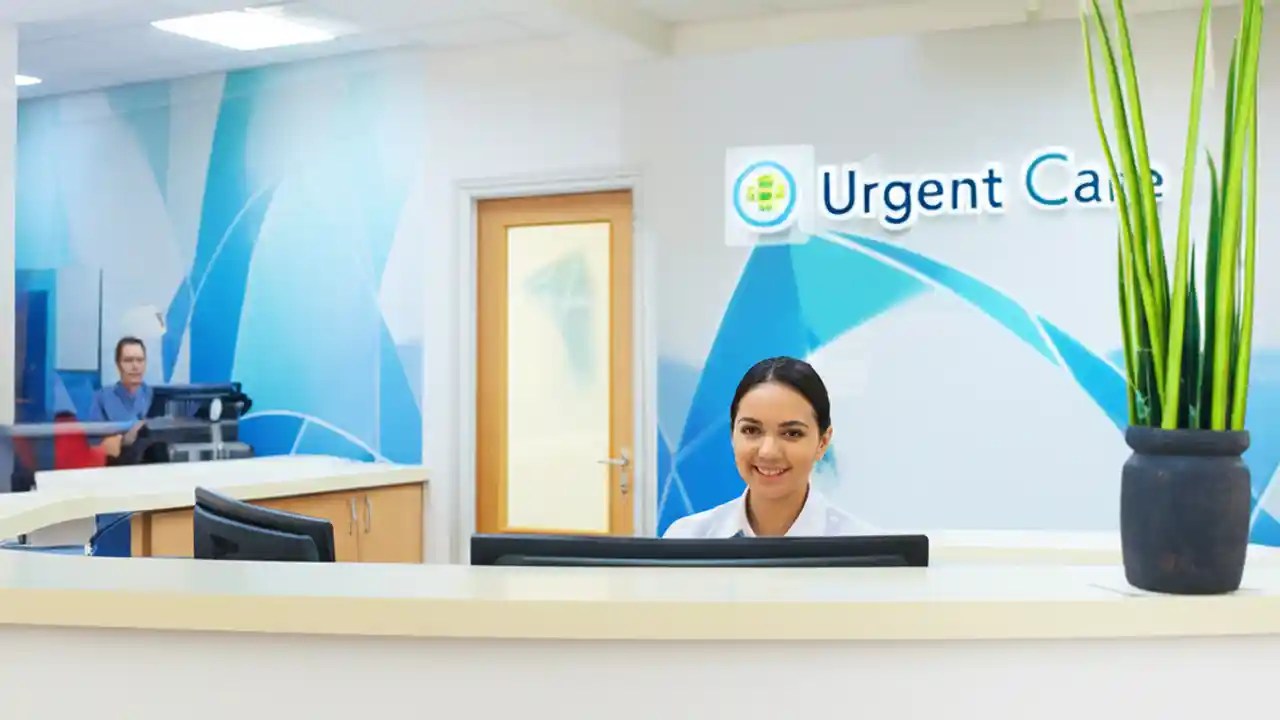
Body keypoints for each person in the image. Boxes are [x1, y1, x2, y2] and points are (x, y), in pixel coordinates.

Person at [663, 356, 867, 538]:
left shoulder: (864, 549)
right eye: (751, 430)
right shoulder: (689, 539)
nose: (768, 451)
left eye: (792, 433)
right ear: (732, 434)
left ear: (822, 442)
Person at [88, 337, 153, 458]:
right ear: (118, 365)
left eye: (140, 360)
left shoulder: (151, 394)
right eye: (128, 361)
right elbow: (96, 445)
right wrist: (124, 440)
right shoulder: (102, 398)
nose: (135, 366)